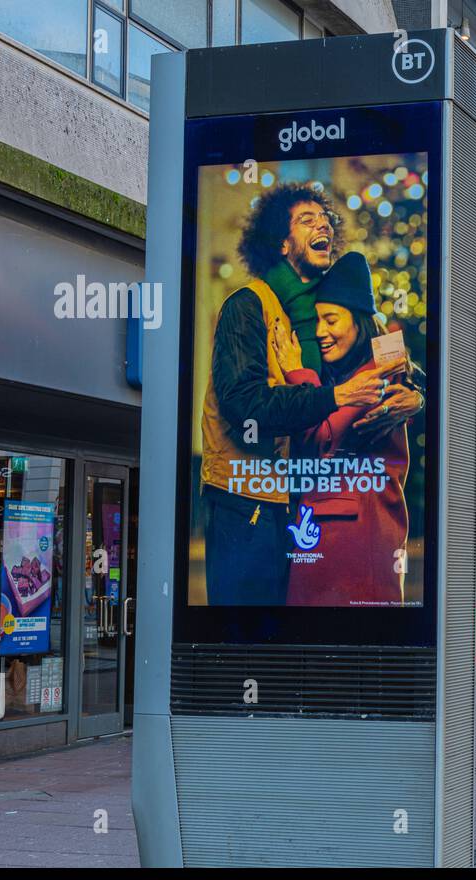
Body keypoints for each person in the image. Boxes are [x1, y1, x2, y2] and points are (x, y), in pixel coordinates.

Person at [200, 183, 417, 605]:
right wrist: (338, 397)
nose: (322, 224)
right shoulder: (248, 305)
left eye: (324, 219)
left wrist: (416, 396)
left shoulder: (313, 315)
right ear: (281, 244)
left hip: (288, 501)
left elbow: (385, 363)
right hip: (245, 498)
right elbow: (244, 404)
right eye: (306, 219)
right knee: (244, 631)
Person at [274, 253, 422, 605]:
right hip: (335, 530)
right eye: (317, 320)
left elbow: (320, 437)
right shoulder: (355, 370)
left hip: (355, 538)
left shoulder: (381, 368)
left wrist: (297, 372)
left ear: (359, 320)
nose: (320, 331)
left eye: (331, 319)